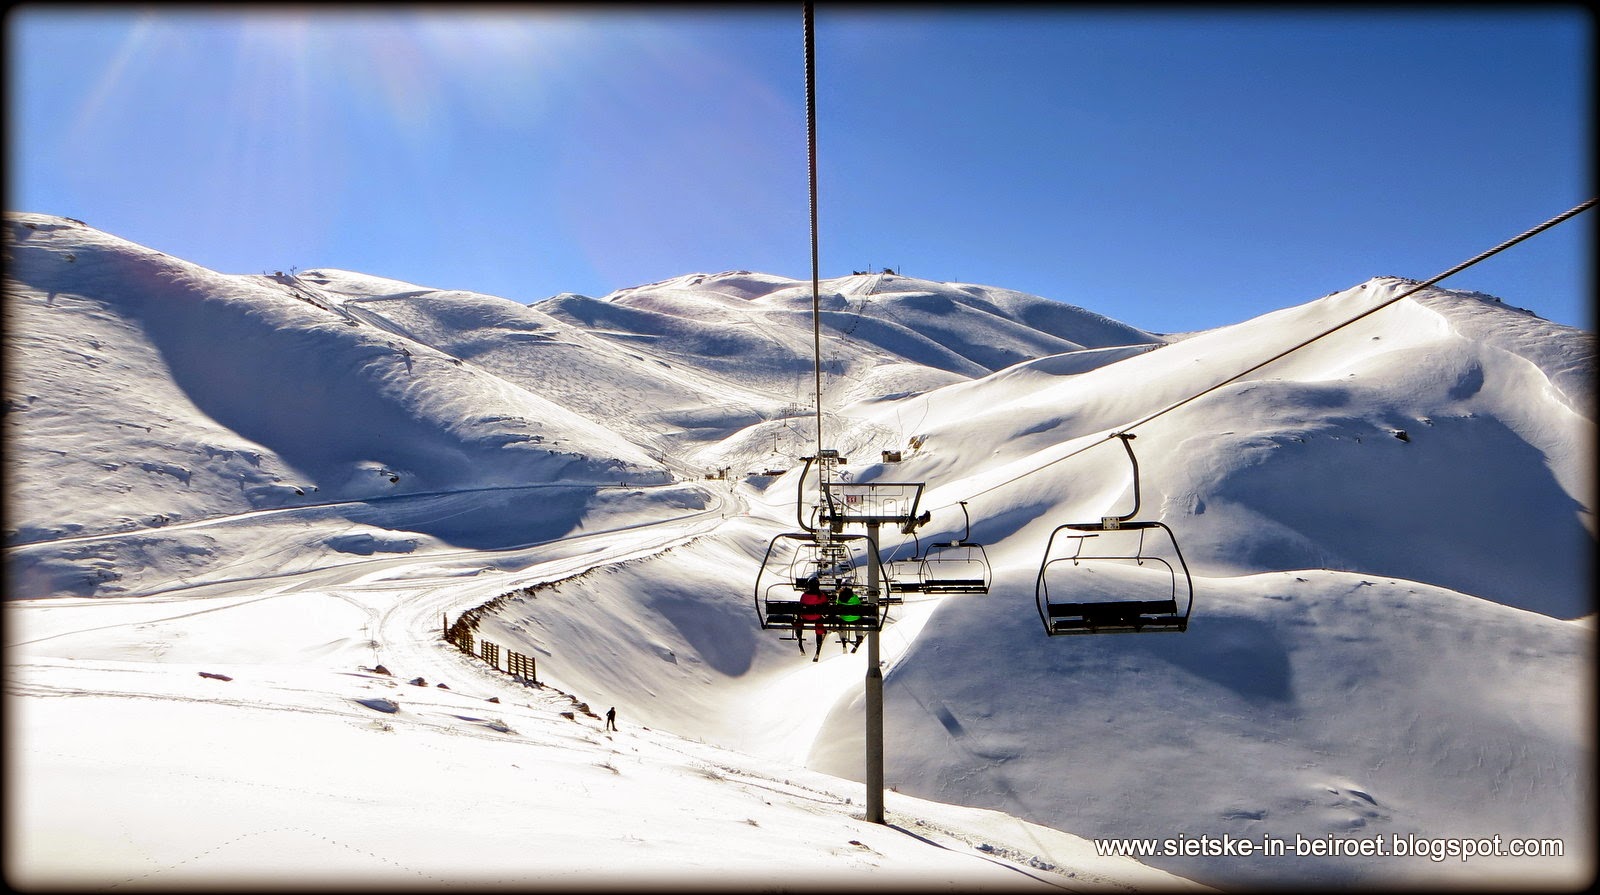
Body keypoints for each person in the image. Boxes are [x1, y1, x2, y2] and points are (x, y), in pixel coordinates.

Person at [794, 577, 829, 660]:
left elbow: (801, 605)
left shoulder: (804, 595)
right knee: (819, 622)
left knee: (799, 619)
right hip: (817, 617)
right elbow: (826, 607)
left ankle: (800, 640)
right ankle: (818, 648)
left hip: (805, 616)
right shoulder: (821, 595)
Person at [835, 584, 865, 654]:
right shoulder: (855, 597)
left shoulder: (840, 598)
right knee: (859, 622)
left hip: (844, 618)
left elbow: (837, 605)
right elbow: (859, 605)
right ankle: (859, 637)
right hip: (855, 618)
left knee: (841, 621)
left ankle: (843, 640)